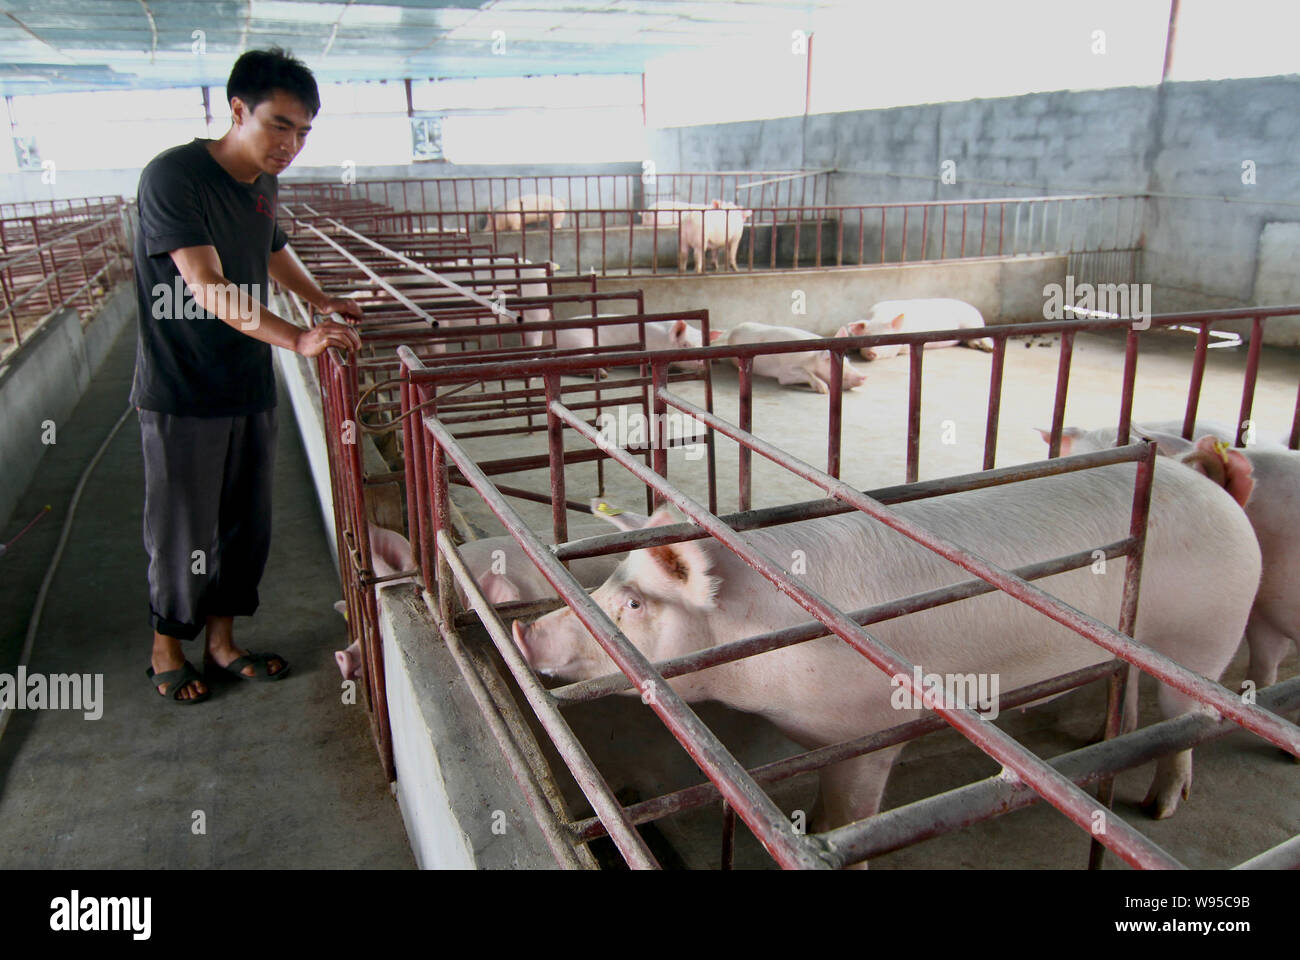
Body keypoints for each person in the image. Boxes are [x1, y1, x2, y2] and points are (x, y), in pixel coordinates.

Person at [131, 46, 363, 703]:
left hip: (245, 379)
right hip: (182, 387)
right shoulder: (173, 177)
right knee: (182, 524)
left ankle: (223, 644)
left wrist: (320, 301)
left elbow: (271, 246)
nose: (291, 145)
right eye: (280, 126)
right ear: (237, 110)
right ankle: (165, 650)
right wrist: (297, 335)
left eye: (304, 133)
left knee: (243, 523)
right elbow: (205, 284)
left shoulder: (263, 180)